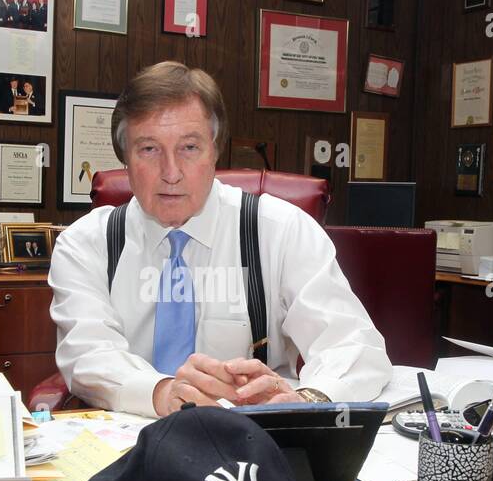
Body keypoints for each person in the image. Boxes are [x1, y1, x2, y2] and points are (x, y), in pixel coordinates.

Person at [49, 60, 391, 417]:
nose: (171, 173)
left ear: (215, 151)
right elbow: (87, 354)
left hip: (254, 443)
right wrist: (163, 394)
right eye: (149, 149)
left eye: (189, 148)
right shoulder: (85, 244)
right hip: (127, 437)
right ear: (125, 159)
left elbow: (354, 345)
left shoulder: (281, 230)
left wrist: (307, 400)